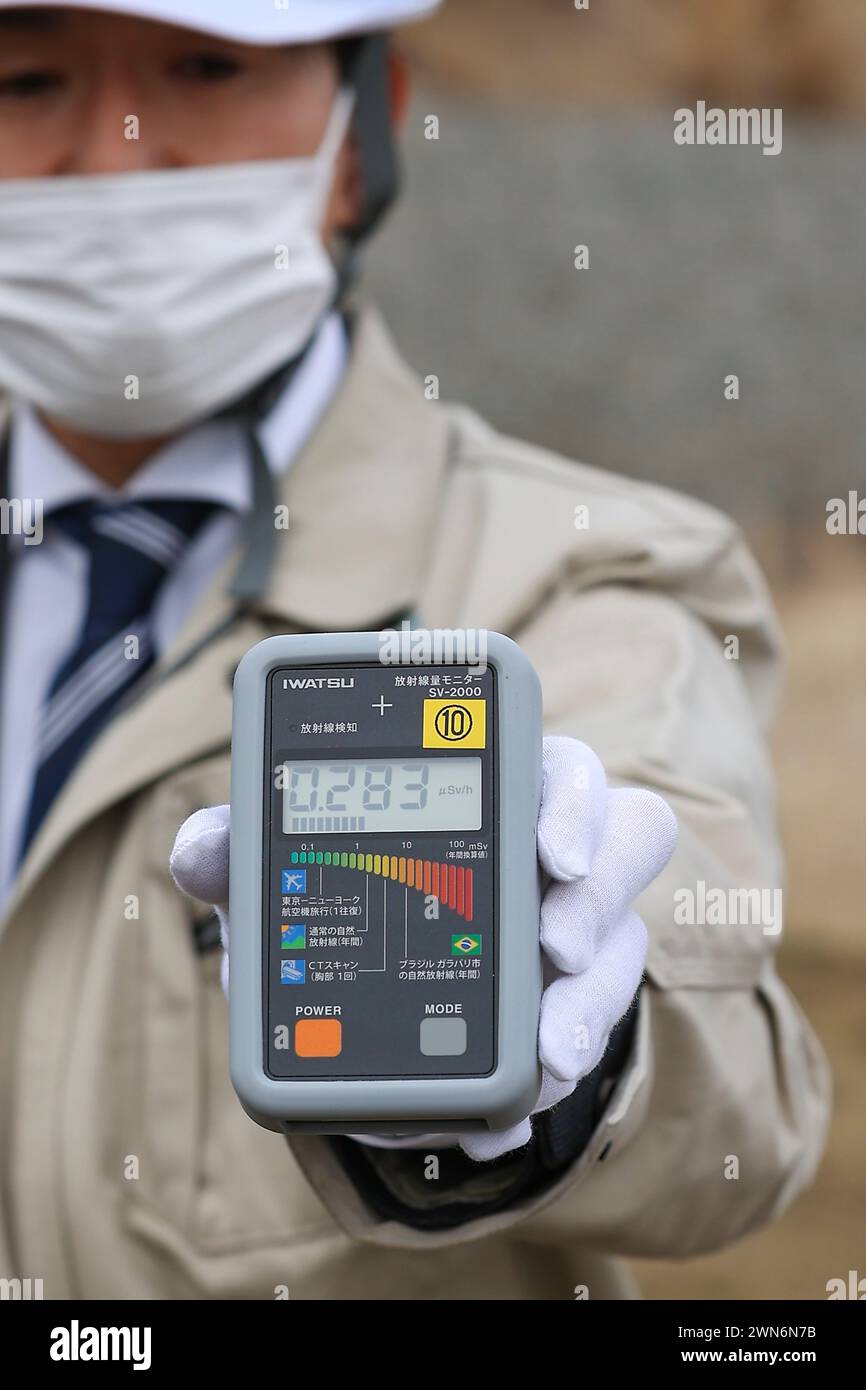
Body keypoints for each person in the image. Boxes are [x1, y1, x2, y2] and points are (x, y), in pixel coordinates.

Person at [0, 0, 830, 1301]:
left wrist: (577, 1041)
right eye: (29, 79)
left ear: (361, 129)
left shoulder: (587, 567)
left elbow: (732, 1083)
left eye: (205, 67)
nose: (115, 153)